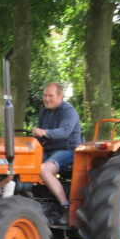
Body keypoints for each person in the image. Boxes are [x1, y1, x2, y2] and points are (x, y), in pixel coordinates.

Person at [31, 82, 82, 225]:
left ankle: (65, 206)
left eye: (50, 96)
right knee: (23, 165)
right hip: (48, 150)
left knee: (45, 169)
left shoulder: (69, 111)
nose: (47, 99)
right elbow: (39, 137)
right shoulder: (44, 113)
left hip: (68, 150)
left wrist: (45, 132)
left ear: (60, 96)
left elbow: (65, 131)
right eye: (45, 95)